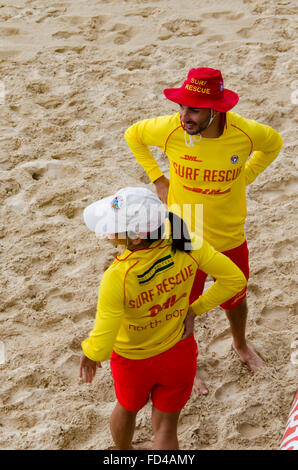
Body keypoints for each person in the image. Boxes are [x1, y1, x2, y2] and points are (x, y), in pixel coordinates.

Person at [124, 67, 283, 394]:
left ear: (216, 110)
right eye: (181, 107)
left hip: (228, 229)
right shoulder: (170, 130)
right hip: (184, 227)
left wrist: (246, 175)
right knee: (181, 303)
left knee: (236, 298)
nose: (184, 116)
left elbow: (275, 143)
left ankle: (240, 344)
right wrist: (158, 178)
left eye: (193, 109)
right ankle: (187, 363)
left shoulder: (246, 132)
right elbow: (133, 135)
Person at [79, 186, 247, 450]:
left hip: (133, 361)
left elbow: (102, 341)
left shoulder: (117, 276)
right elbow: (235, 279)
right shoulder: (188, 243)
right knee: (167, 428)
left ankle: (125, 452)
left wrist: (89, 353)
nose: (108, 230)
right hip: (177, 350)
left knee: (126, 407)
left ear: (135, 239)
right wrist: (195, 308)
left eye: (114, 226)